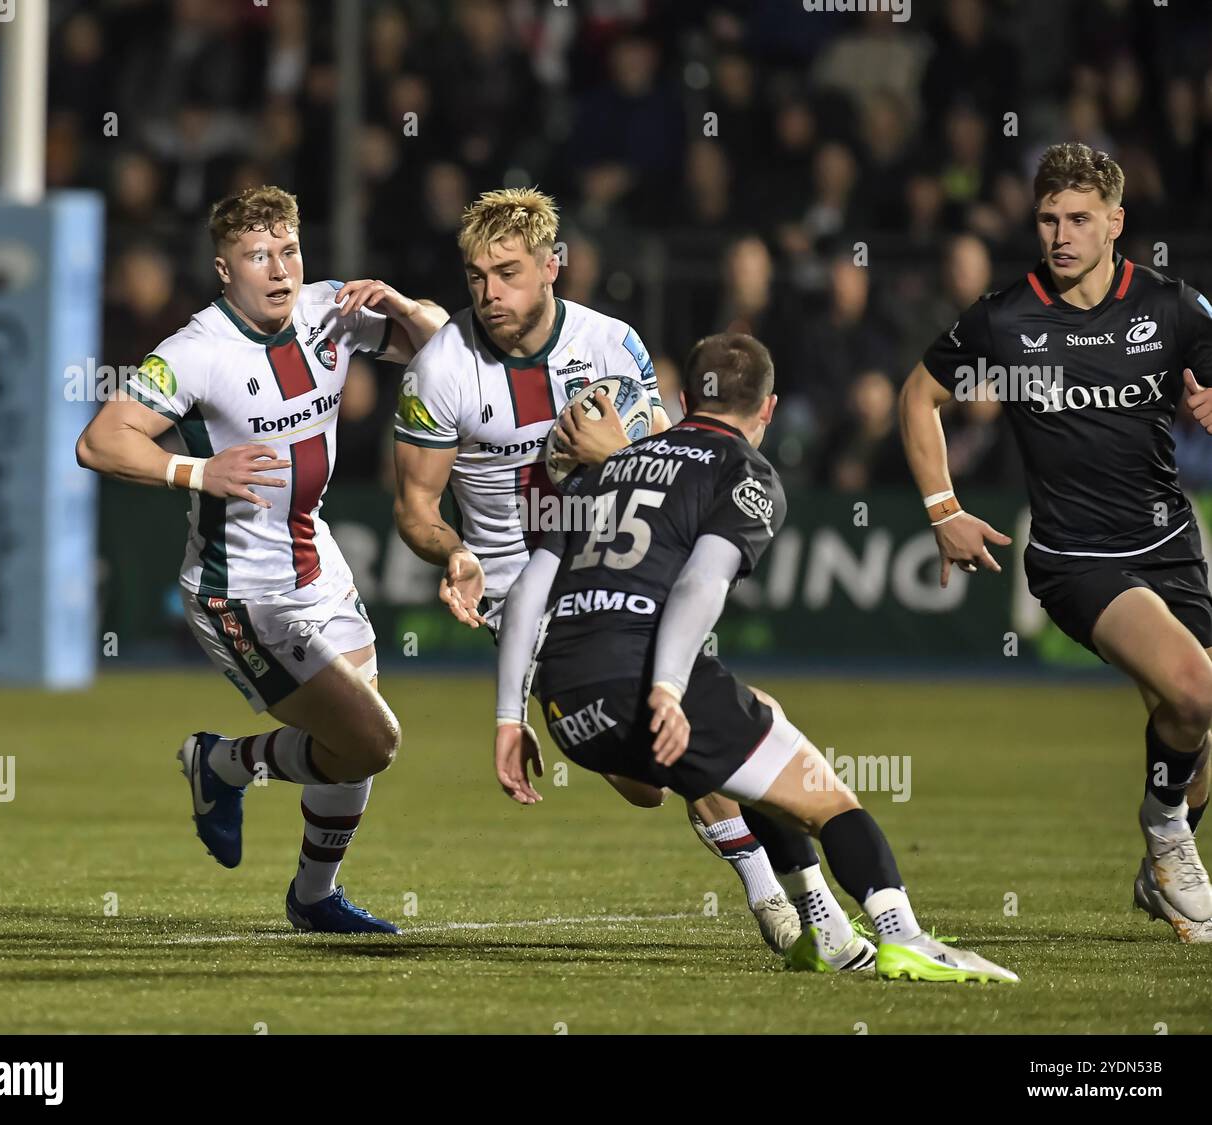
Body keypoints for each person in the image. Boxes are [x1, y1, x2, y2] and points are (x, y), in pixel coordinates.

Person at [495, 332, 1018, 982]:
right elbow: (701, 584)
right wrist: (665, 686)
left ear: (683, 400)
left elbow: (524, 597)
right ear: (768, 410)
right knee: (831, 801)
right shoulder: (743, 470)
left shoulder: (601, 470)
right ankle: (903, 934)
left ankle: (821, 927)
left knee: (759, 731)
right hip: (637, 681)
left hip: (565, 706)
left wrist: (509, 719)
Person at [391, 187, 807, 955]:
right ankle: (793, 879)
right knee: (646, 783)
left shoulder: (615, 344)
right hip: (524, 589)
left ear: (555, 266)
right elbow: (415, 505)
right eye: (476, 276)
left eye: (508, 273)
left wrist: (610, 458)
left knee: (679, 730)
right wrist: (453, 551)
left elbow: (662, 457)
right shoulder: (440, 369)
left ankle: (782, 899)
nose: (489, 294)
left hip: (622, 565)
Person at [76, 185, 448, 933]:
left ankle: (307, 887)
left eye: (288, 250)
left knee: (351, 751)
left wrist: (408, 308)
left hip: (318, 564)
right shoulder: (196, 351)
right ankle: (225, 767)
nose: (279, 269)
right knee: (373, 740)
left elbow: (453, 357)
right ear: (224, 269)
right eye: (257, 255)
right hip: (240, 593)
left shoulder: (330, 311)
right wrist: (197, 471)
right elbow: (100, 440)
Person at [899, 143, 1212, 943]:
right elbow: (919, 394)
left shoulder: (1175, 307)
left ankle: (1160, 865)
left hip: (1171, 544)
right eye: (1047, 218)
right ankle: (1169, 836)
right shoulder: (1006, 317)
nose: (1060, 234)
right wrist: (944, 508)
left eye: (1078, 219)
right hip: (1076, 558)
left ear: (1116, 222)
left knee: (1195, 719)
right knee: (1195, 689)